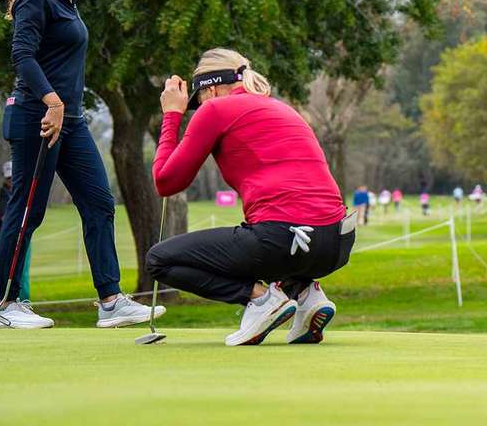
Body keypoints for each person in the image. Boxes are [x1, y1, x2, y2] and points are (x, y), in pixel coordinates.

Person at [0, 0, 159, 330]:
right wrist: (52, 101)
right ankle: (5, 305)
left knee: (99, 202)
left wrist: (63, 106)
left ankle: (111, 301)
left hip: (71, 119)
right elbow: (23, 56)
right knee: (28, 209)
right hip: (39, 117)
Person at [146, 48, 356, 346]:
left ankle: (260, 300)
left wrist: (171, 116)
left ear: (211, 89)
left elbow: (166, 182)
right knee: (268, 245)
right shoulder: (282, 108)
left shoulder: (214, 109)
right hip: (337, 241)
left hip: (283, 238)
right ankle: (307, 295)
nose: (199, 107)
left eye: (199, 99)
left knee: (159, 260)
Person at [0, 161, 32, 301]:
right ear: (5, 178)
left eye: (13, 177)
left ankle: (23, 301)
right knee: (0, 273)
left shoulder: (25, 192)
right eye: (9, 177)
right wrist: (5, 220)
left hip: (21, 237)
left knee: (22, 272)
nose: (11, 180)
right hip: (0, 238)